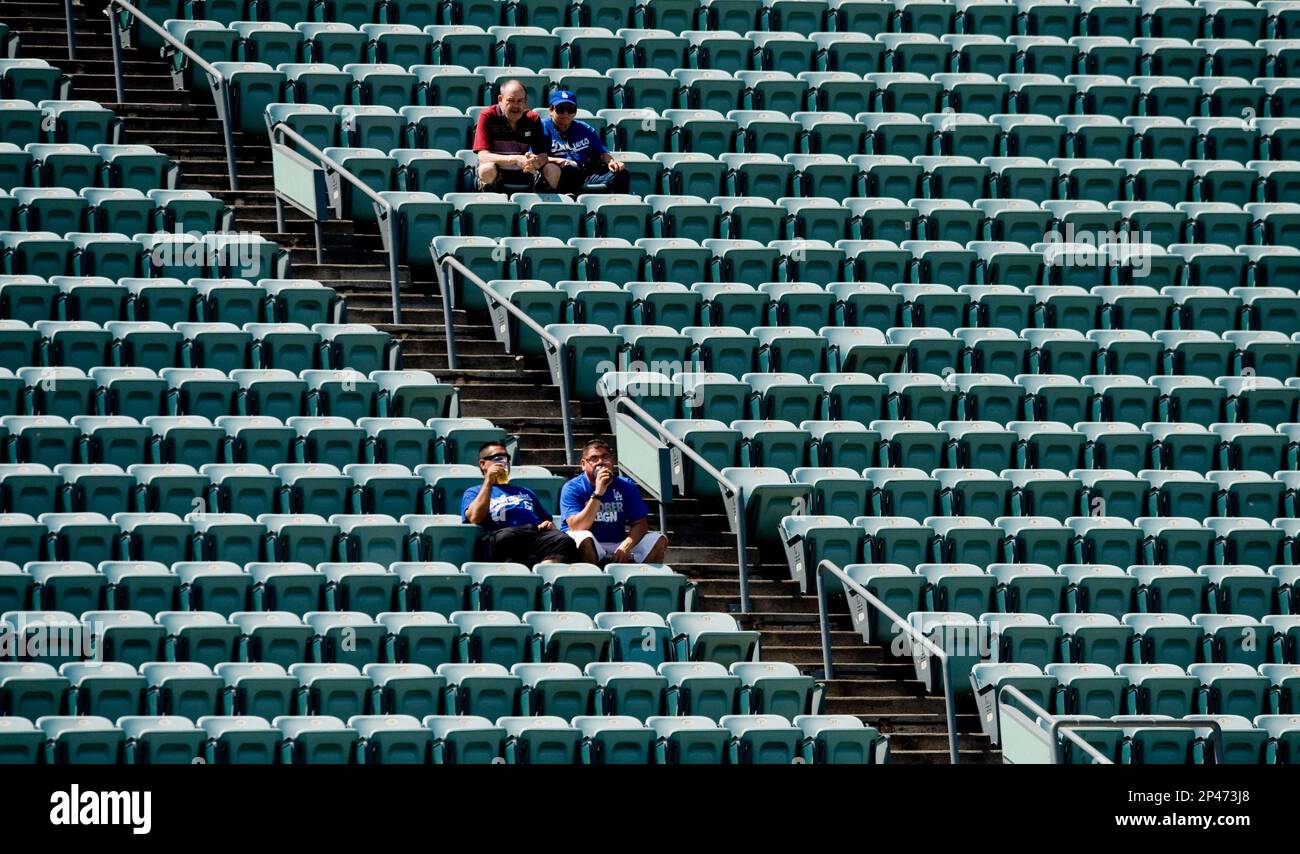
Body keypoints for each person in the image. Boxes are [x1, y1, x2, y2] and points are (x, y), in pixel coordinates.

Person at [461, 441, 578, 564]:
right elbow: (475, 518)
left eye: (506, 458)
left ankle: (542, 574)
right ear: (483, 464)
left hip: (532, 534)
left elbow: (546, 520)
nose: (504, 462)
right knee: (507, 537)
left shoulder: (525, 491)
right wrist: (489, 481)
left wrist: (547, 524)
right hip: (502, 535)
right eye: (497, 458)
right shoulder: (474, 492)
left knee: (563, 540)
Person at [560, 439, 668, 565]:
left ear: (612, 462)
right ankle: (591, 581)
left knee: (658, 539)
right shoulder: (572, 487)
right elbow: (576, 526)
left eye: (605, 457)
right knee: (584, 536)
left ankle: (643, 582)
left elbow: (640, 523)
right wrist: (598, 492)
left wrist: (625, 546)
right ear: (583, 464)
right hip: (585, 542)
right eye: (594, 458)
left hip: (617, 542)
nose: (600, 462)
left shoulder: (625, 485)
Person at [537, 90, 629, 195]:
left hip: (583, 173)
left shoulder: (584, 128)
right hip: (559, 174)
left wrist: (612, 162)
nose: (565, 113)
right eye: (561, 109)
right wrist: (561, 161)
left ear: (575, 112)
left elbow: (602, 153)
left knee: (621, 173)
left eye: (570, 109)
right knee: (570, 169)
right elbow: (535, 157)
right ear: (551, 110)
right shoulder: (542, 127)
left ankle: (616, 207)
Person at [473, 79, 547, 192]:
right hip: (497, 170)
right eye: (511, 101)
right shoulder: (487, 116)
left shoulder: (533, 118)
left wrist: (535, 162)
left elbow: (543, 156)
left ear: (525, 102)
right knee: (486, 170)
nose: (516, 106)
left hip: (524, 171)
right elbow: (483, 156)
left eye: (520, 101)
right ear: (500, 100)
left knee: (552, 170)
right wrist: (515, 159)